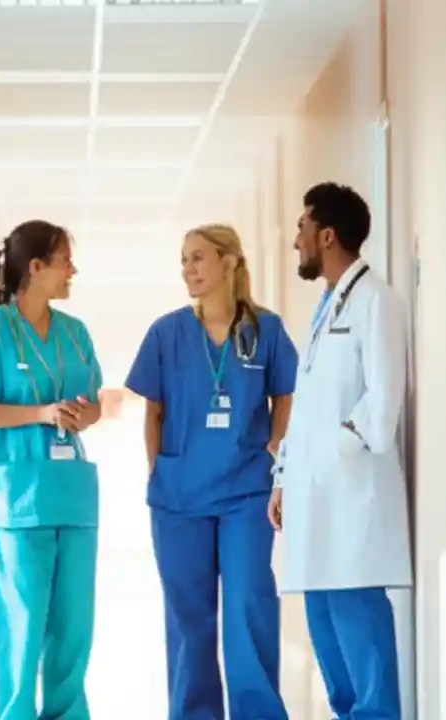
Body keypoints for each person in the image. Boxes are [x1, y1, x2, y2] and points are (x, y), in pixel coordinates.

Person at [125, 224, 299, 720]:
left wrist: (273, 449)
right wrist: (160, 471)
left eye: (198, 258)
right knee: (189, 618)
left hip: (247, 492)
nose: (188, 269)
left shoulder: (265, 329)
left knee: (247, 603)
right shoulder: (167, 332)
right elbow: (153, 411)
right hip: (178, 496)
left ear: (228, 263)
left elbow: (284, 395)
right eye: (183, 260)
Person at [268, 182, 411, 720]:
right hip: (316, 498)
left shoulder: (377, 300)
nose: (296, 239)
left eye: (303, 227)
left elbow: (382, 401)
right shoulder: (329, 305)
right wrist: (285, 477)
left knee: (358, 626)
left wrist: (331, 456)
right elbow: (308, 407)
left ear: (327, 235)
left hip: (350, 498)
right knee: (327, 634)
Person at [0, 220, 105, 720]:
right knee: (20, 631)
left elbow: (95, 402)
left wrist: (87, 414)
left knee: (72, 633)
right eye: (65, 260)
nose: (72, 270)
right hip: (14, 504)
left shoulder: (74, 333)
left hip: (72, 501)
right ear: (35, 268)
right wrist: (38, 414)